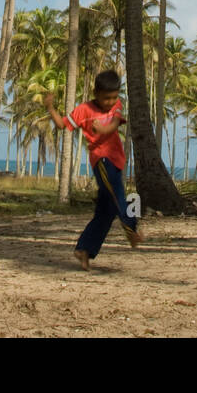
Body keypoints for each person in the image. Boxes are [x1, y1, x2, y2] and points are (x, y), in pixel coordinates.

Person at [44, 70, 143, 269]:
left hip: (116, 160)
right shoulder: (83, 111)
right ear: (96, 92)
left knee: (105, 212)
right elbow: (62, 125)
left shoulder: (117, 105)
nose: (110, 101)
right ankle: (131, 230)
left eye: (114, 97)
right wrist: (50, 108)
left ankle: (84, 250)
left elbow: (114, 125)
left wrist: (102, 129)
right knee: (118, 197)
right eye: (106, 98)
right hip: (102, 160)